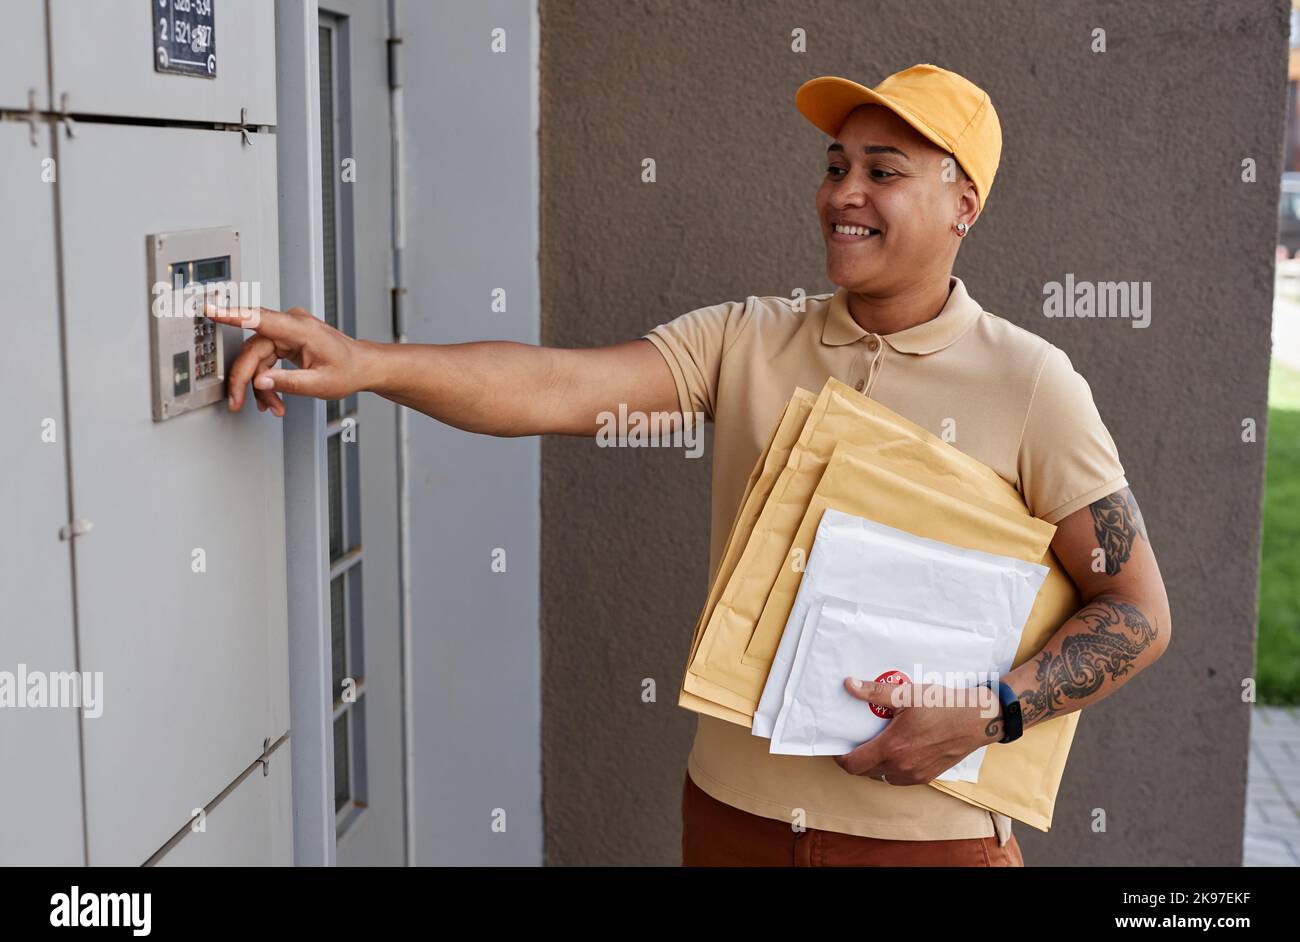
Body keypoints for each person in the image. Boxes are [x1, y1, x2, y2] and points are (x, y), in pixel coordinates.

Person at [207, 63, 1172, 867]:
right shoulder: (748, 339)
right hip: (731, 823)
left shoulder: (1032, 383)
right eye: (836, 166)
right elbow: (550, 388)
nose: (843, 192)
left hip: (929, 843)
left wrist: (987, 713)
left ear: (964, 203)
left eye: (885, 171)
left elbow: (1136, 610)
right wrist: (372, 363)